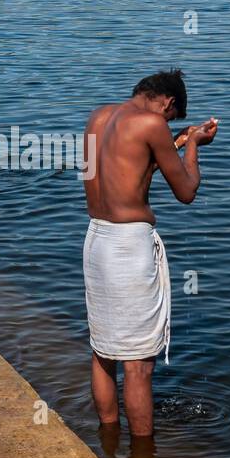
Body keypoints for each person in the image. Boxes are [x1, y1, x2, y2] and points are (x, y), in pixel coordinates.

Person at [82, 69, 218, 437]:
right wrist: (192, 146)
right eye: (171, 118)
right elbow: (186, 191)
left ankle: (108, 440)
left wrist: (172, 143)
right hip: (128, 248)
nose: (166, 123)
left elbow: (128, 168)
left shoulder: (99, 117)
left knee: (104, 353)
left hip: (96, 240)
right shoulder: (151, 124)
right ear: (168, 102)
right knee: (139, 366)